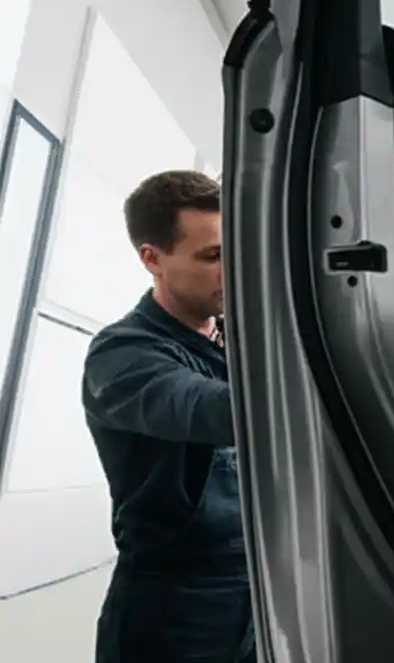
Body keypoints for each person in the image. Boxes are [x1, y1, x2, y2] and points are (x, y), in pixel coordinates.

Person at [83, 171, 254, 662]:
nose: (231, 269)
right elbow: (209, 409)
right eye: (213, 256)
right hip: (174, 609)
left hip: (256, 590)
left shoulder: (235, 340)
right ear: (152, 258)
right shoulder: (122, 354)